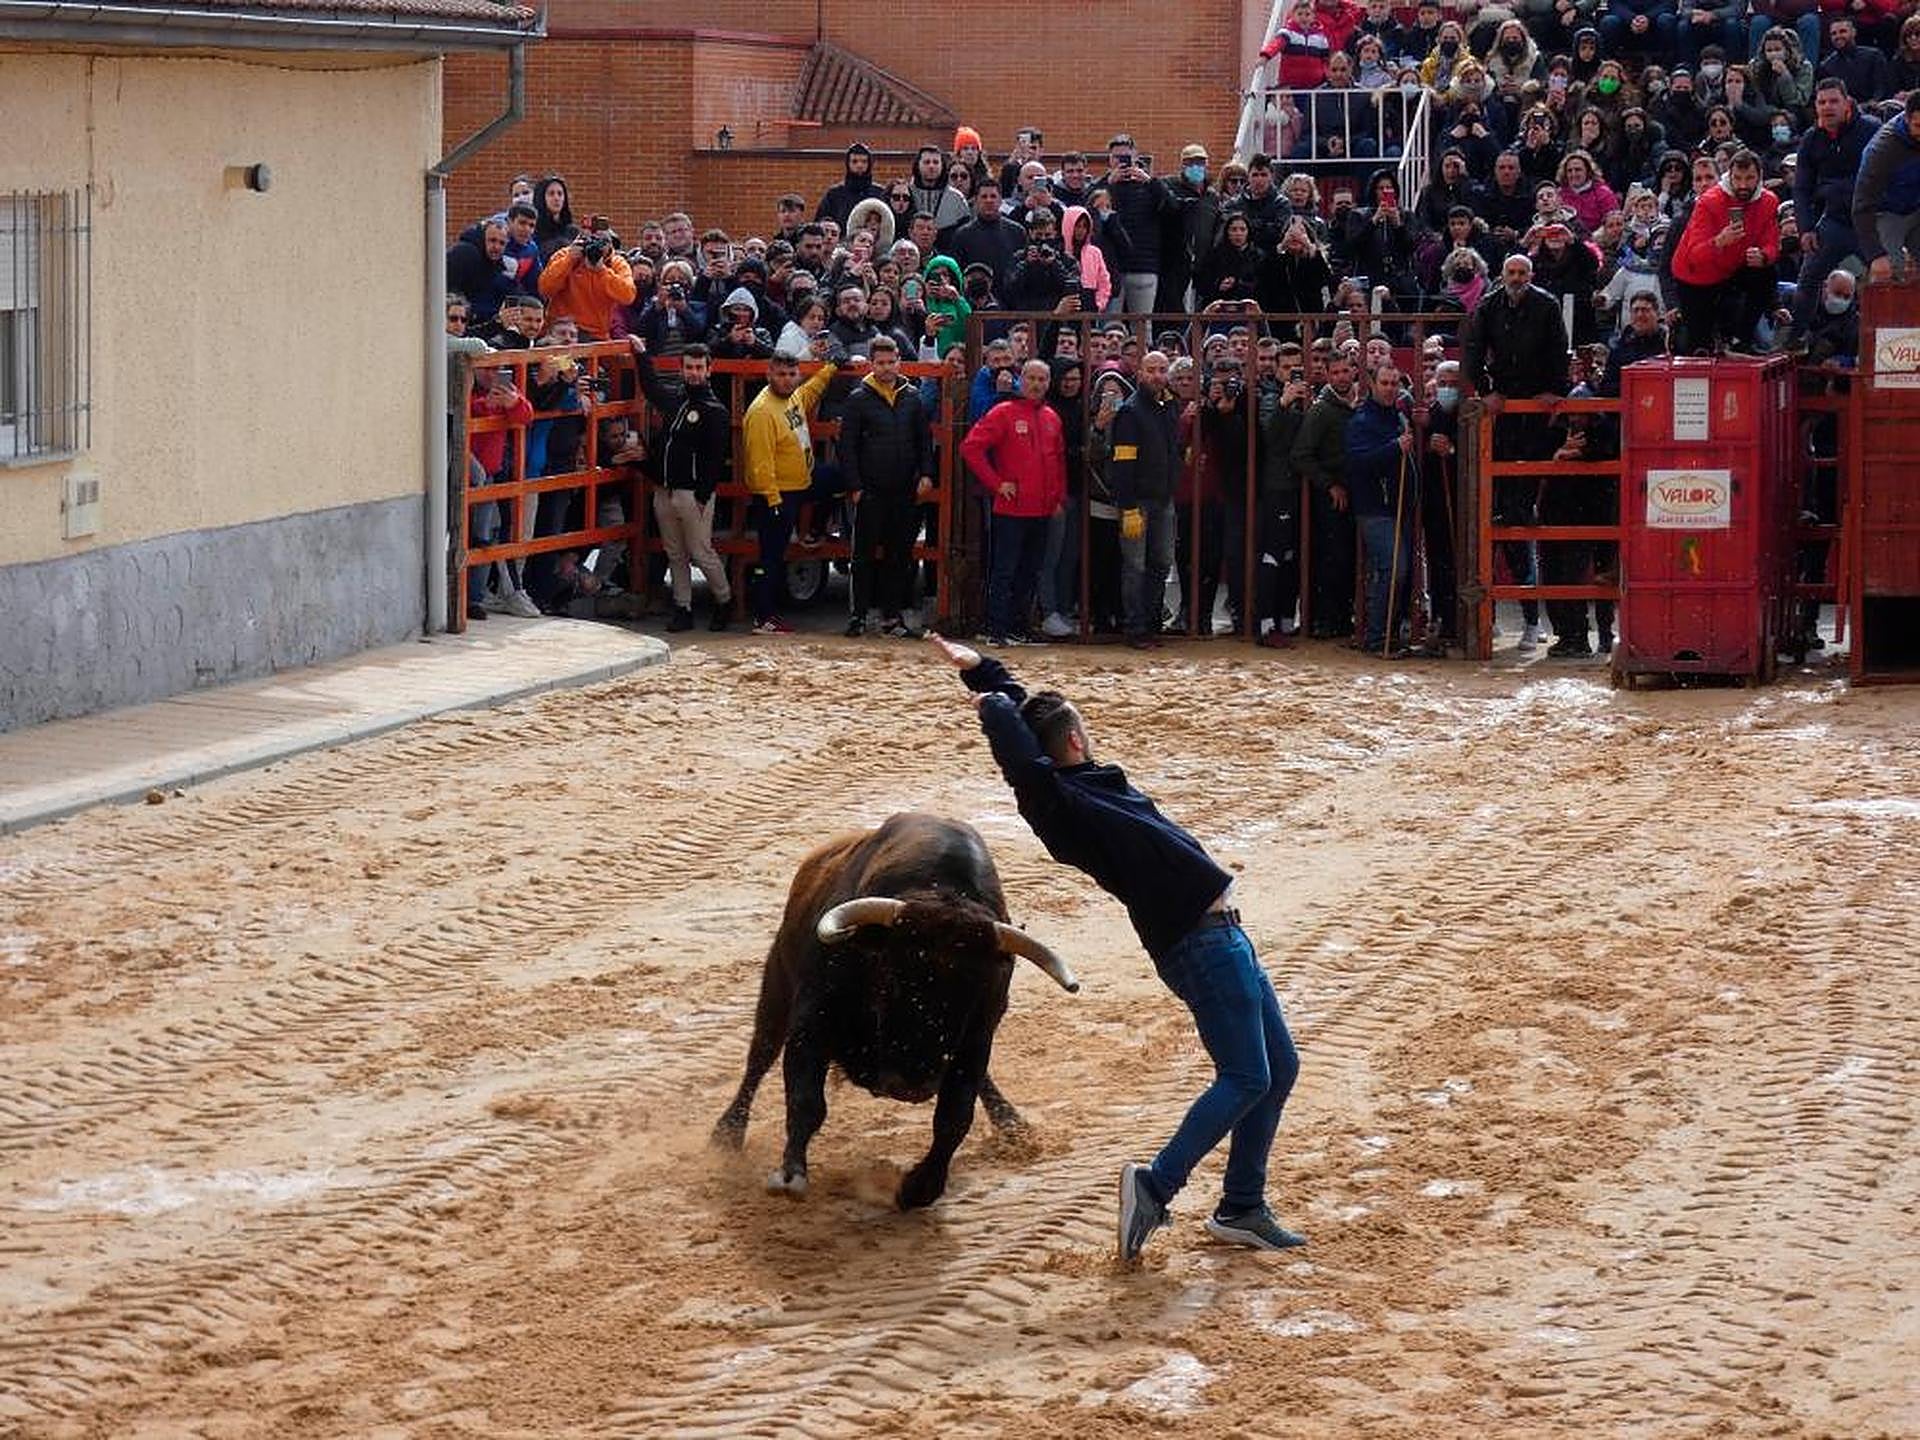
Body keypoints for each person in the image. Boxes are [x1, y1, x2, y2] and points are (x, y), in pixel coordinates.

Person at [926, 633, 1305, 1261]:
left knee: (1277, 1069)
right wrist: (993, 706)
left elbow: (1033, 726)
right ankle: (1155, 1186)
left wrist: (984, 674)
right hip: (1202, 945)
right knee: (1245, 1076)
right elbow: (1024, 758)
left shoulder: (1084, 786)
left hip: (1219, 937)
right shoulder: (1063, 802)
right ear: (1074, 741)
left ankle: (1241, 1205)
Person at [1460, 253, 1571, 651]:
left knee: (1522, 518)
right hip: (1504, 411)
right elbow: (1472, 352)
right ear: (1502, 276)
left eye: (1523, 273)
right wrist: (1488, 390)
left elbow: (1560, 350)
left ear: (1531, 275)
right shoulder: (1489, 305)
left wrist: (1554, 388)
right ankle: (1503, 619)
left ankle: (1529, 620)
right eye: (1512, 272)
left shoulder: (1546, 304)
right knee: (1497, 516)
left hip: (1535, 414)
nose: (1518, 278)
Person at [630, 337, 733, 633]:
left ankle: (724, 600)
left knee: (701, 552)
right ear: (682, 368)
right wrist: (642, 355)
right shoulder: (676, 398)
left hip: (692, 492)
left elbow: (716, 456)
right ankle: (682, 606)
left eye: (699, 367)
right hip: (665, 488)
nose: (694, 373)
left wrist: (703, 494)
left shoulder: (715, 409)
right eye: (689, 367)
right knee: (674, 551)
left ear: (709, 370)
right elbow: (651, 388)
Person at [960, 359, 1066, 645]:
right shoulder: (1003, 412)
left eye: (1042, 379)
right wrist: (996, 484)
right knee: (1004, 571)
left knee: (1030, 571)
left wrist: (1057, 498)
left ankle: (1020, 626)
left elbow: (1058, 462)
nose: (1036, 384)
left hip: (1042, 509)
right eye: (1031, 378)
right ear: (1021, 379)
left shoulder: (1051, 417)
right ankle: (996, 629)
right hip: (1011, 507)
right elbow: (971, 447)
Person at [838, 336, 935, 637]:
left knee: (899, 555)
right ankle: (858, 615)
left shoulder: (913, 397)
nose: (886, 368)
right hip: (870, 489)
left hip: (904, 488)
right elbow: (847, 447)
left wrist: (926, 474)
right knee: (862, 556)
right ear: (871, 364)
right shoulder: (858, 398)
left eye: (891, 362)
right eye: (880, 363)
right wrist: (855, 486)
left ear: (899, 362)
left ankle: (892, 617)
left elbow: (924, 441)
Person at [742, 350, 841, 634]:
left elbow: (809, 393)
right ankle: (764, 617)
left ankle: (816, 528)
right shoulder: (762, 411)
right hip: (777, 494)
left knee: (840, 478)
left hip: (802, 481)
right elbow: (759, 463)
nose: (787, 380)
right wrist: (772, 500)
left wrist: (829, 368)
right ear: (769, 374)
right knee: (771, 556)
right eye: (781, 375)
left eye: (791, 375)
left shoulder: (793, 395)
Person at [1783, 79, 1880, 347]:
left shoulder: (1872, 130)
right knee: (1809, 275)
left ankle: (1891, 339)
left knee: (1890, 279)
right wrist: (1806, 228)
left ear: (1848, 103)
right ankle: (1795, 340)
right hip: (1835, 222)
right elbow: (1801, 188)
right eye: (1822, 102)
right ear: (1815, 106)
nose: (1827, 107)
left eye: (1833, 101)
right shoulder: (1811, 139)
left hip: (1871, 222)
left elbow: (1884, 176)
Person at [1671, 149, 1781, 353]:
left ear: (1759, 177)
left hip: (1730, 271)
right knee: (1698, 346)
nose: (1743, 185)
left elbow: (1772, 242)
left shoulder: (1769, 201)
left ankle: (1741, 339)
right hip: (1694, 278)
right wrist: (1719, 241)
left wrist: (1764, 255)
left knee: (1766, 272)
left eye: (1749, 178)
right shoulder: (1709, 201)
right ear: (1729, 175)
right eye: (1738, 178)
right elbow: (1695, 254)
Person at [1109, 350, 1183, 649]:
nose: (1157, 375)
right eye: (1151, 370)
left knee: (1161, 563)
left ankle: (1150, 623)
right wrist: (1127, 507)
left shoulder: (1168, 406)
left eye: (1162, 370)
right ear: (1139, 373)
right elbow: (1122, 463)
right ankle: (1135, 627)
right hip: (1138, 500)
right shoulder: (1130, 411)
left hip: (1163, 498)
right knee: (1136, 565)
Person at [1345, 363, 1416, 654]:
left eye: (1394, 383)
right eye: (1384, 383)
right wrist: (1394, 448)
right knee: (1393, 569)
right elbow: (1358, 463)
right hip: (1376, 508)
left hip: (1397, 506)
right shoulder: (1362, 420)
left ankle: (1385, 634)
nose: (1390, 388)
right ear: (1372, 385)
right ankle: (1376, 637)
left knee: (1395, 571)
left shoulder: (1399, 416)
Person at [1291, 349, 1362, 639]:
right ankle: (1328, 619)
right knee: (1333, 558)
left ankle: (1342, 618)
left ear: (1354, 371)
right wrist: (1328, 484)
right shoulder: (1321, 410)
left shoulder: (1359, 404)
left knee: (1349, 558)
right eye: (1336, 373)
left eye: (1346, 371)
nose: (1342, 377)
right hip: (1332, 495)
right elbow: (1300, 455)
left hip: (1358, 491)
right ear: (1328, 375)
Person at [1851, 92, 1920, 285]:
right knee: (1888, 275)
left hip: (1916, 204)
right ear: (1906, 119)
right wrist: (1875, 254)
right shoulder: (1882, 151)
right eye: (1918, 126)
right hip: (1887, 212)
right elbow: (1861, 205)